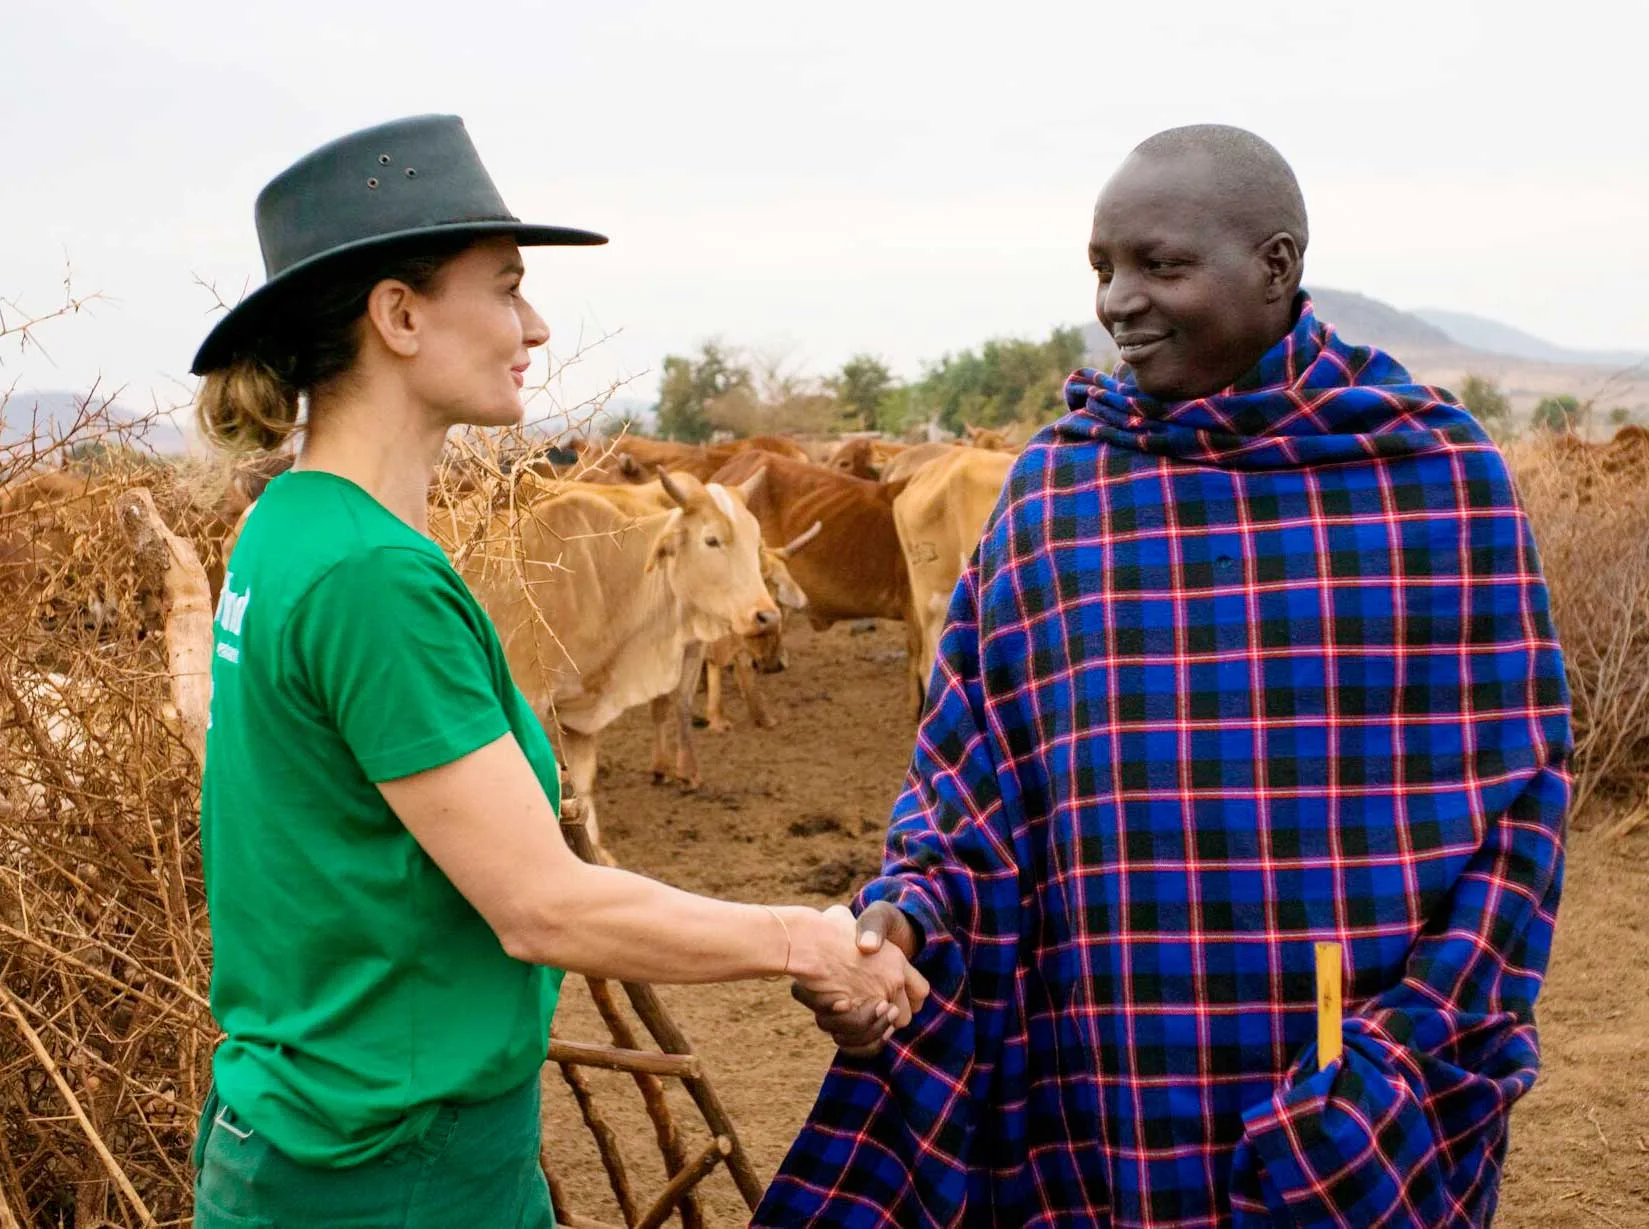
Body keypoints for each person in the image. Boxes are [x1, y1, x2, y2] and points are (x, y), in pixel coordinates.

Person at [765, 125, 1570, 1228]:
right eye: (1101, 267)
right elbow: (971, 781)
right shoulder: (1062, 490)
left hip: (1347, 1071)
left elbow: (1517, 805)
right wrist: (903, 923)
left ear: (1276, 266)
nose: (1116, 301)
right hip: (1100, 1075)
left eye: (1159, 264)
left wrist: (1405, 1054)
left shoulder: (1429, 479)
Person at [187, 114, 926, 1229]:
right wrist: (803, 937)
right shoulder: (371, 577)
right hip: (390, 1168)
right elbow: (539, 904)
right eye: (506, 286)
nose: (533, 322)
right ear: (398, 314)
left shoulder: (289, 525)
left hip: (315, 1133)